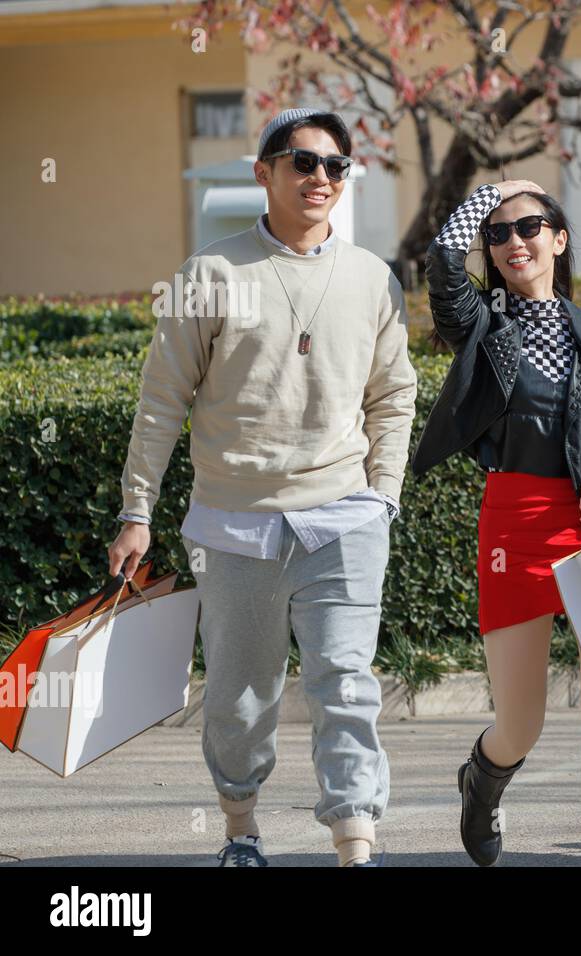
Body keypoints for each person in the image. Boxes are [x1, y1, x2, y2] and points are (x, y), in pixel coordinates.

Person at [109, 109, 417, 867]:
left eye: (336, 167)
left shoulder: (373, 277)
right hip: (235, 523)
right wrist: (136, 510)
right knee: (241, 701)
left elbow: (394, 394)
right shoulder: (208, 275)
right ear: (264, 173)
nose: (321, 178)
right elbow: (161, 402)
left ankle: (356, 842)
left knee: (345, 684)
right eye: (303, 162)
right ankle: (241, 827)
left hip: (345, 516)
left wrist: (384, 492)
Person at [411, 179, 581, 866]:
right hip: (513, 522)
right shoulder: (481, 322)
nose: (513, 241)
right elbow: (440, 258)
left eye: (529, 227)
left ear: (559, 238)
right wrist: (495, 191)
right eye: (499, 234)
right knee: (520, 725)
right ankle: (480, 783)